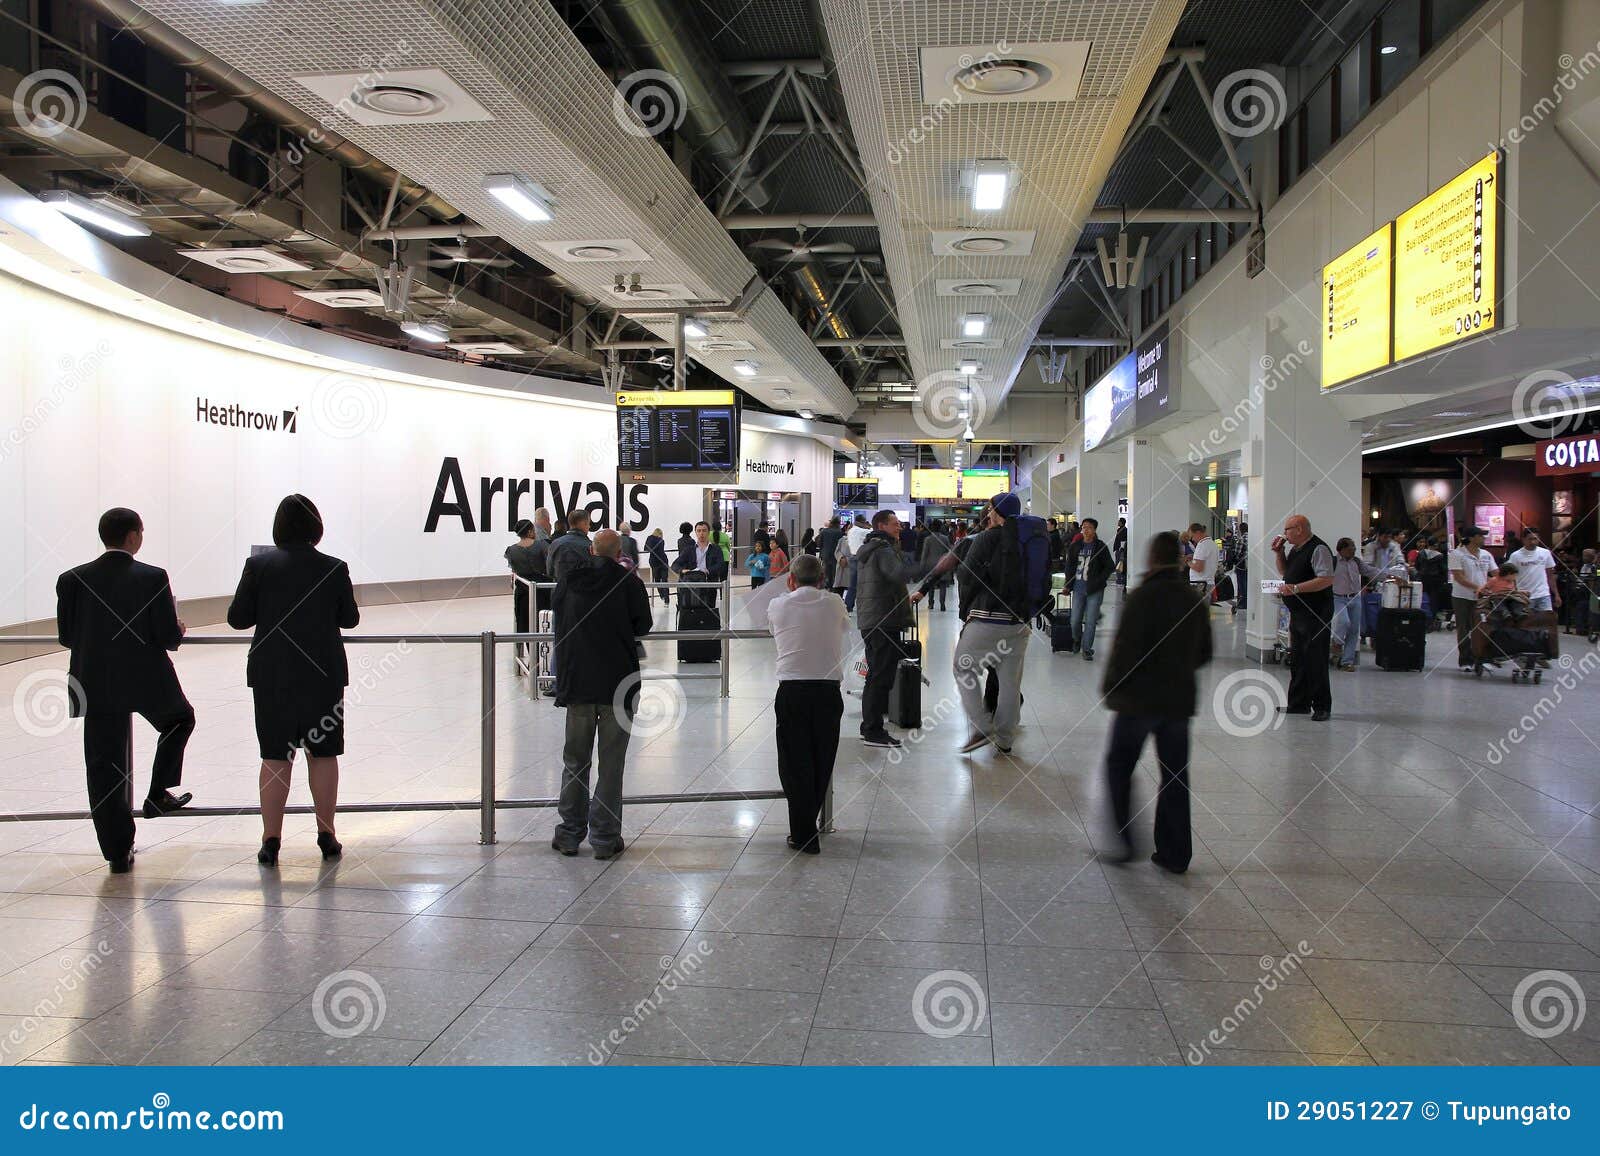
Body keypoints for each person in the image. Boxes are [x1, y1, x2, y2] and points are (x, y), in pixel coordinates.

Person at [56, 508, 195, 873]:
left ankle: (117, 851)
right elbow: (167, 636)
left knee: (104, 764)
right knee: (179, 720)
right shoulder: (152, 577)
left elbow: (67, 637)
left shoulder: (71, 579)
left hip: (94, 682)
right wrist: (178, 627)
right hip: (146, 679)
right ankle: (157, 794)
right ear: (133, 537)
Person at [227, 495, 359, 866]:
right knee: (323, 752)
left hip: (272, 673)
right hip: (323, 672)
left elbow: (238, 618)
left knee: (274, 755)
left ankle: (271, 839)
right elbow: (349, 619)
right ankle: (326, 833)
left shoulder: (258, 565)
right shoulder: (334, 567)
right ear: (316, 527)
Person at [1098, 532, 1212, 874]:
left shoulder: (1141, 598)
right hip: (1177, 702)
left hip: (1137, 702)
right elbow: (1204, 653)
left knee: (1119, 766)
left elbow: (1125, 651)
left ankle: (1124, 842)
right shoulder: (1193, 600)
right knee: (1175, 776)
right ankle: (1175, 854)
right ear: (1179, 558)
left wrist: (1111, 686)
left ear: (1150, 558)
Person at [551, 529, 653, 859]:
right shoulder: (630, 583)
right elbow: (643, 625)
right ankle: (605, 838)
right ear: (619, 551)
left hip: (579, 682)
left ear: (591, 549)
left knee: (575, 760)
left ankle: (569, 833)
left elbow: (558, 615)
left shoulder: (570, 580)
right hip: (618, 685)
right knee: (612, 763)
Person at [916, 493, 1035, 754]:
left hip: (987, 618)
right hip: (1020, 624)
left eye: (991, 509)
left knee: (963, 667)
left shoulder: (984, 538)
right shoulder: (1029, 539)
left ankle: (981, 726)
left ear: (995, 512)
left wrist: (968, 609)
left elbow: (967, 576)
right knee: (1010, 683)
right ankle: (1005, 739)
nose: (989, 513)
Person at [768, 554, 849, 853]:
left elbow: (772, 628)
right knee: (822, 758)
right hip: (828, 692)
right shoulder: (835, 603)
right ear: (823, 579)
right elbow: (843, 627)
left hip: (792, 691)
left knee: (793, 761)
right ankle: (806, 827)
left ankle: (802, 833)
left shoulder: (778, 605)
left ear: (790, 580)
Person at [854, 509, 924, 749]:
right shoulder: (883, 550)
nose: (899, 527)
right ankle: (873, 731)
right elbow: (898, 574)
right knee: (880, 677)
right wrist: (930, 566)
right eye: (895, 524)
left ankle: (869, 727)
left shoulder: (872, 549)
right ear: (882, 526)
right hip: (884, 620)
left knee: (876, 675)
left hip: (874, 619)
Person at [1271, 514, 1335, 721]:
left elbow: (1325, 579)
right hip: (1298, 613)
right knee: (1298, 657)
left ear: (1299, 529)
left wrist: (1296, 588)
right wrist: (1279, 553)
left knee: (1315, 658)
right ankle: (1299, 703)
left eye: (1287, 529)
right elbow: (1285, 572)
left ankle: (1322, 706)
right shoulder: (1296, 550)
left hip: (1316, 611)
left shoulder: (1319, 549)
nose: (1285, 534)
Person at [1064, 517, 1114, 659]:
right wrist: (1068, 585)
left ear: (1094, 530)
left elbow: (1110, 566)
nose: (1086, 530)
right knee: (1075, 620)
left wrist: (1099, 580)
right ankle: (1076, 640)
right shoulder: (1075, 546)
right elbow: (1069, 567)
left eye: (1089, 527)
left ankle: (1087, 649)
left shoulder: (1100, 547)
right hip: (1078, 588)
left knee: (1091, 621)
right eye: (1084, 527)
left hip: (1094, 590)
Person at [1450, 526, 1499, 669]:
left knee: (1482, 627)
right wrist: (1478, 587)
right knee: (1463, 629)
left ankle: (1482, 658)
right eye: (1481, 536)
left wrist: (1503, 581)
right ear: (1471, 538)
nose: (1484, 538)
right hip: (1462, 597)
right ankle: (1465, 660)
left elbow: (1496, 572)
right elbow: (1459, 577)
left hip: (1482, 598)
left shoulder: (1486, 554)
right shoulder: (1456, 554)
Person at [1330, 537, 1379, 672]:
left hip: (1355, 598)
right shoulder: (1333, 562)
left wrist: (1389, 576)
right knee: (1344, 622)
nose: (1354, 550)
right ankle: (1337, 643)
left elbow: (1370, 571)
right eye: (1351, 548)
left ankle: (1347, 662)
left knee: (1353, 631)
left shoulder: (1356, 562)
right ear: (1342, 550)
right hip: (1338, 598)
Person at [1506, 528, 1560, 613]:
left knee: (1546, 622)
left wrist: (1556, 594)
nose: (1533, 542)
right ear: (1523, 540)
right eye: (1530, 539)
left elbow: (1550, 576)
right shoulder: (1515, 556)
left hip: (1543, 594)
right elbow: (1510, 576)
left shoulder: (1545, 553)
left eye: (1535, 539)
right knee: (1527, 623)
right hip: (1524, 595)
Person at [505, 519, 541, 640]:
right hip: (541, 589)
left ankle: (528, 649)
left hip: (522, 591)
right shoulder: (542, 546)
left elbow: (514, 569)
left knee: (523, 622)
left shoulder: (511, 550)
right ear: (530, 531)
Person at [918, 518, 956, 610]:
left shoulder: (928, 539)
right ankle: (942, 605)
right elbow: (949, 552)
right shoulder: (945, 538)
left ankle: (931, 604)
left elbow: (924, 554)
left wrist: (922, 567)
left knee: (930, 586)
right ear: (940, 527)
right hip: (943, 565)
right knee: (943, 586)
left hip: (931, 566)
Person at [548, 511, 593, 584]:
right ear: (583, 523)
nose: (589, 526)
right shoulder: (590, 546)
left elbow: (550, 571)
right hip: (582, 591)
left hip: (558, 590)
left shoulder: (555, 544)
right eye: (588, 523)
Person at [843, 515, 870, 612]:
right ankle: (864, 607)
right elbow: (873, 532)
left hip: (852, 558)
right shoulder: (862, 531)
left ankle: (848, 607)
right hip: (862, 559)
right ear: (862, 522)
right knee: (866, 584)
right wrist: (869, 527)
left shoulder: (850, 531)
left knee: (852, 585)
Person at [1184, 523, 1219, 596]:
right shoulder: (1212, 543)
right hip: (1209, 582)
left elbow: (1198, 568)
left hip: (1200, 584)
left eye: (1192, 536)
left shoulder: (1202, 545)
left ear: (1198, 533)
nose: (1192, 539)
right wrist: (1194, 556)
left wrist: (1188, 561)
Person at [644, 527, 671, 605]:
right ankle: (667, 600)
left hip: (654, 562)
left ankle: (662, 595)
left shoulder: (649, 539)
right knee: (665, 581)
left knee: (657, 580)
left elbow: (646, 549)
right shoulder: (661, 541)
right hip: (663, 562)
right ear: (660, 534)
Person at [818, 517, 844, 589]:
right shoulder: (839, 532)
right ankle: (834, 588)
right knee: (835, 573)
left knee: (826, 572)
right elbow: (841, 545)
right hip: (835, 555)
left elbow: (819, 543)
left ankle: (826, 587)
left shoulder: (824, 531)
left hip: (825, 555)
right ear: (838, 523)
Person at [1231, 520, 1249, 612]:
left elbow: (1237, 554)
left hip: (1241, 565)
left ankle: (1243, 603)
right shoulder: (1252, 538)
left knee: (1242, 584)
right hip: (1250, 565)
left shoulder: (1241, 539)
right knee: (1247, 583)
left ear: (1241, 530)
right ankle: (1247, 602)